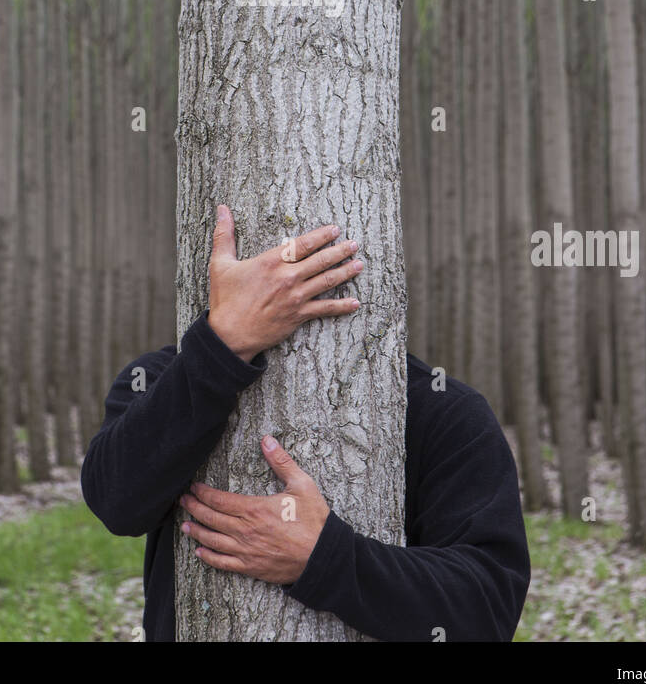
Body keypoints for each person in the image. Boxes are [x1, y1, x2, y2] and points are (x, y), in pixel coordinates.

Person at [81, 205, 531, 642]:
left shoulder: (447, 413)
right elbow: (116, 501)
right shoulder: (164, 379)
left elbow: (487, 611)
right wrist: (223, 347)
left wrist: (327, 559)